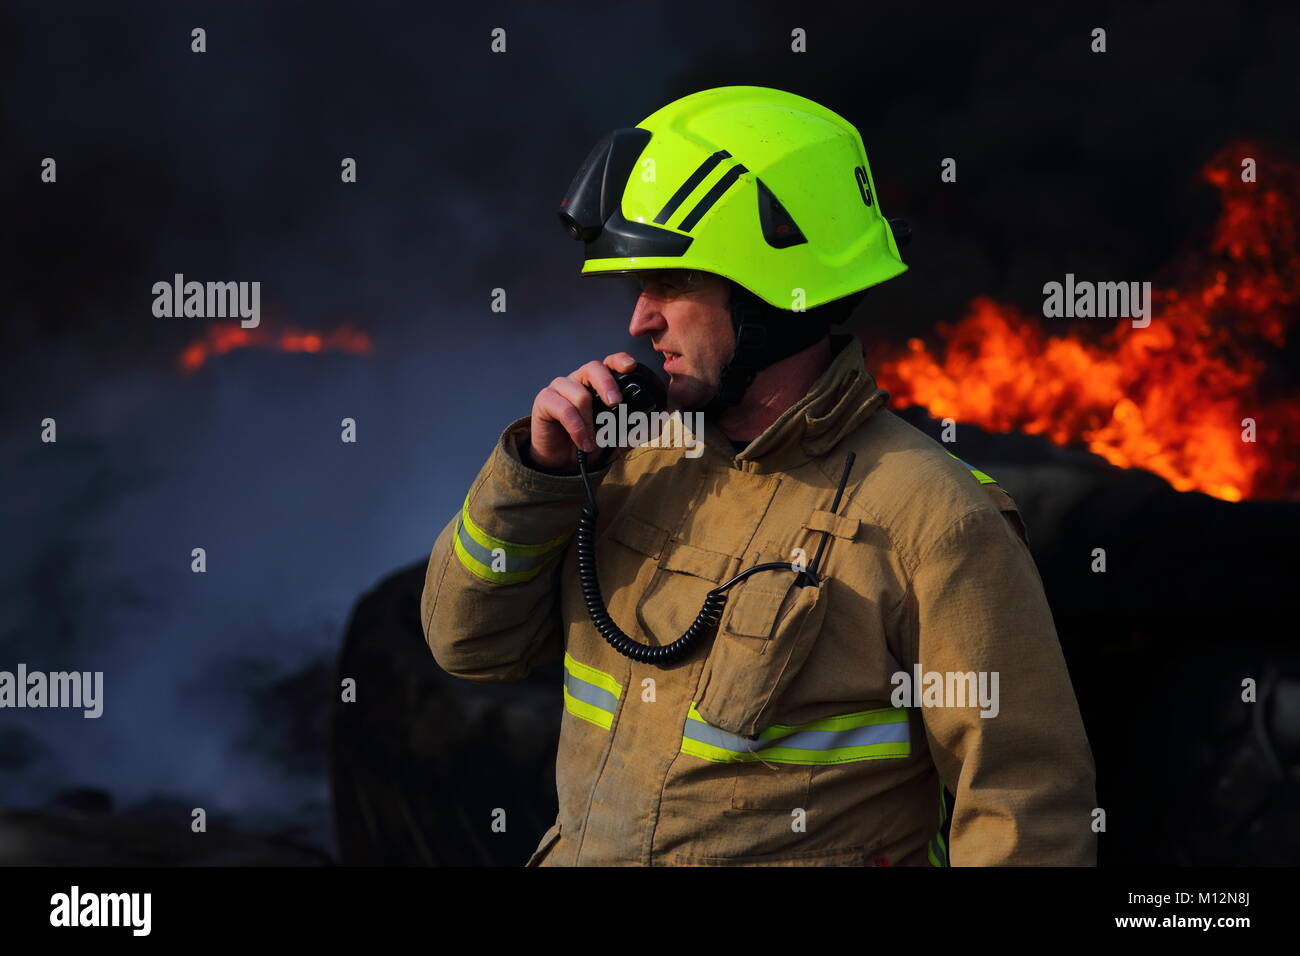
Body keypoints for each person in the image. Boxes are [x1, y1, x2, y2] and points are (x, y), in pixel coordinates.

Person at [421, 86, 1096, 866]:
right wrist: (536, 475)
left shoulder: (931, 519)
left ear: (774, 289)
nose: (639, 322)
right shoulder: (628, 461)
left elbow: (1024, 811)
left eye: (671, 285)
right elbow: (467, 646)